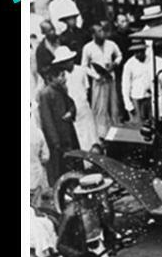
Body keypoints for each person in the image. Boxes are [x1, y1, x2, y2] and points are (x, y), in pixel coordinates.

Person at [36, 47, 80, 183]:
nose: (64, 79)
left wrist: (71, 112)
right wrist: (55, 142)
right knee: (59, 167)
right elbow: (47, 120)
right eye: (61, 76)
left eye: (64, 75)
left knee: (73, 162)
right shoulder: (46, 94)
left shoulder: (62, 90)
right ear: (52, 78)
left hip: (68, 133)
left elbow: (71, 104)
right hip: (58, 138)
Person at [81, 22, 123, 134]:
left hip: (111, 79)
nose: (102, 33)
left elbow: (119, 55)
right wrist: (96, 76)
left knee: (113, 105)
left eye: (103, 30)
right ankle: (101, 134)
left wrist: (115, 63)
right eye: (99, 31)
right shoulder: (88, 48)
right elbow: (84, 66)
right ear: (93, 35)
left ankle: (115, 131)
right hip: (99, 81)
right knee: (100, 107)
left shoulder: (111, 44)